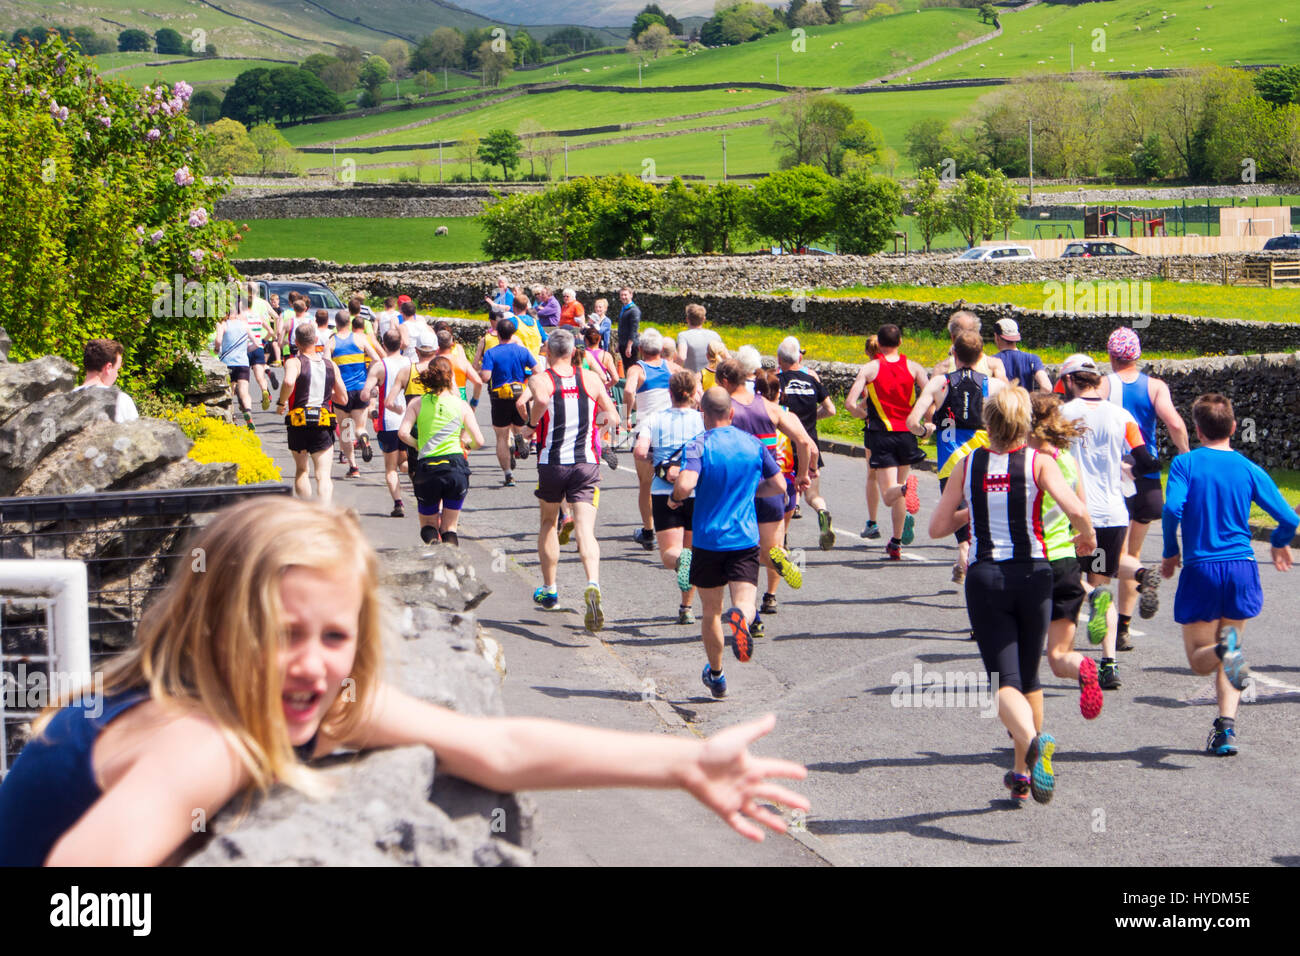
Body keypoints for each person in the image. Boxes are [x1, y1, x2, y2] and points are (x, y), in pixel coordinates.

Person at [0, 496, 809, 865]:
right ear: (217, 629)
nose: (314, 663)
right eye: (283, 636)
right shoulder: (205, 741)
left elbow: (493, 745)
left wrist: (681, 765)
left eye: (335, 636)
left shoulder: (291, 699)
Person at [929, 387, 1096, 805]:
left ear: (988, 424)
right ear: (1025, 425)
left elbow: (936, 527)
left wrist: (977, 504)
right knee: (1030, 676)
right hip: (1036, 575)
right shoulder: (1040, 462)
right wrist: (1086, 538)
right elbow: (1076, 509)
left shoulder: (967, 466)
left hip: (988, 577)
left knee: (1003, 681)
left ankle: (1033, 743)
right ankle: (1022, 772)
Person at [1161, 393, 1298, 756]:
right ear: (1234, 427)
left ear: (1197, 429)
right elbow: (1290, 518)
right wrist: (1280, 542)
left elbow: (1172, 506)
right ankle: (1226, 729)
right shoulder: (1249, 468)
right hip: (1242, 567)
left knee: (1199, 658)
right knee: (1231, 650)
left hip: (1202, 568)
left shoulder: (1185, 464)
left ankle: (1224, 650)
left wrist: (1170, 550)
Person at [669, 387, 790, 698]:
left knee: (710, 611)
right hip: (745, 539)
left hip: (708, 541)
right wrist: (751, 492)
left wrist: (674, 498)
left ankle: (717, 675)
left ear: (703, 414)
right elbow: (778, 484)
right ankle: (743, 619)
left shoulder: (698, 445)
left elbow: (685, 484)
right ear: (732, 413)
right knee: (745, 602)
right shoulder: (752, 443)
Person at [1059, 353, 1163, 691]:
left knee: (1071, 583)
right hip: (1114, 514)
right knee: (1101, 583)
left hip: (1076, 513)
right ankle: (1108, 665)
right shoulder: (1122, 416)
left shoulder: (1062, 415)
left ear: (1072, 381)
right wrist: (1127, 469)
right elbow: (1149, 461)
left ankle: (1069, 654)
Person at [519, 329, 621, 633]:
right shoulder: (591, 379)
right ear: (574, 351)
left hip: (552, 462)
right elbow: (613, 417)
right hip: (586, 462)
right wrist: (596, 430)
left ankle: (550, 589)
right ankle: (593, 583)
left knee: (549, 522)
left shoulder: (541, 379)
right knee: (586, 529)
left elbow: (539, 399)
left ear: (549, 352)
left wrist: (531, 425)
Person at [1100, 327, 1191, 651]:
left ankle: (1104, 619)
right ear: (1137, 356)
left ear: (1111, 356)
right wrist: (1186, 458)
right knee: (1132, 554)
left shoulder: (1102, 385)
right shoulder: (1155, 386)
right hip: (1147, 480)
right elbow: (1176, 424)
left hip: (1112, 478)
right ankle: (1123, 629)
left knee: (1105, 557)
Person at [717, 360, 816, 628]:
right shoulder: (770, 408)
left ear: (725, 382)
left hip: (739, 491)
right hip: (772, 488)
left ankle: (751, 617)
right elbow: (804, 441)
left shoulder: (726, 410)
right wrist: (803, 474)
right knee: (771, 549)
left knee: (740, 557)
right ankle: (779, 561)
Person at [907, 330, 1006, 582]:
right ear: (981, 355)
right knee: (983, 519)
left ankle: (965, 556)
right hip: (985, 460)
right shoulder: (994, 385)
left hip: (951, 465)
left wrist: (924, 431)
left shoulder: (939, 383)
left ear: (954, 352)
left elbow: (911, 422)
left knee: (961, 529)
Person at [1030, 393, 1105, 721]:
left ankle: (1025, 729)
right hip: (1065, 562)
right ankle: (1086, 666)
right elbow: (1081, 507)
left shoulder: (1028, 461)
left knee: (1021, 661)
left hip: (1031, 561)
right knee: (1060, 658)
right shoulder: (1068, 460)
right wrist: (1088, 539)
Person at [845, 324, 929, 560]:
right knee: (900, 490)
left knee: (890, 493)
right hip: (907, 434)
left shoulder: (870, 368)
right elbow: (932, 393)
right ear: (900, 341)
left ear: (879, 344)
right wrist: (925, 420)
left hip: (881, 434)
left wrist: (865, 415)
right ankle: (896, 541)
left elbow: (850, 403)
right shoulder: (914, 367)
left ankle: (904, 488)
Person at [635, 370, 706, 625]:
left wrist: (658, 460)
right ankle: (686, 608)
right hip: (697, 490)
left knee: (671, 554)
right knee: (691, 551)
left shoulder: (655, 419)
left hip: (664, 490)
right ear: (694, 392)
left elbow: (640, 450)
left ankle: (680, 564)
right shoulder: (702, 420)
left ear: (670, 393)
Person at [397, 356, 485, 547]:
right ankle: (452, 562)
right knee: (450, 527)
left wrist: (418, 444)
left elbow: (403, 433)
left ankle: (434, 545)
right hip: (455, 468)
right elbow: (479, 440)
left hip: (427, 468)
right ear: (451, 376)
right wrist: (466, 446)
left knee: (428, 525)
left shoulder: (417, 403)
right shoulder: (461, 405)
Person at [776, 336, 836, 551]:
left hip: (785, 447)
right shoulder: (812, 379)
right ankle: (822, 511)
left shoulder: (777, 381)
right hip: (811, 445)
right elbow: (831, 409)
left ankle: (782, 538)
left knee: (784, 495)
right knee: (813, 493)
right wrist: (812, 418)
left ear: (779, 358)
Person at [276, 323, 347, 505]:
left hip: (299, 421)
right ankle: (323, 511)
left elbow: (289, 382)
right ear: (316, 341)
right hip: (322, 421)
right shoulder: (330, 365)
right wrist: (326, 393)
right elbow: (343, 398)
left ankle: (307, 507)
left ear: (296, 343)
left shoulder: (294, 362)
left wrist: (281, 402)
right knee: (323, 475)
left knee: (302, 470)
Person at [625, 329, 675, 550]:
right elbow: (693, 385)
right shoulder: (672, 368)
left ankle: (648, 531)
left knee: (645, 484)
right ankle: (675, 527)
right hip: (670, 431)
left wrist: (629, 412)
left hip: (646, 430)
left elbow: (627, 390)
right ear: (662, 350)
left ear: (640, 350)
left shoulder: (637, 368)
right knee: (671, 478)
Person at [358, 328, 411, 517]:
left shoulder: (380, 366)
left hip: (388, 421)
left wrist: (374, 393)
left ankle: (398, 503)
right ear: (401, 344)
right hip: (410, 419)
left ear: (384, 344)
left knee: (391, 467)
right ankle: (420, 479)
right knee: (406, 461)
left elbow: (365, 393)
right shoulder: (410, 363)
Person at [480, 318, 537, 487]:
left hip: (500, 397)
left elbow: (486, 377)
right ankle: (520, 439)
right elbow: (538, 371)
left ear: (497, 333)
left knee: (501, 437)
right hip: (519, 394)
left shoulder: (491, 353)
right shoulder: (522, 351)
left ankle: (508, 474)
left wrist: (482, 371)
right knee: (518, 426)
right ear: (514, 333)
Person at [330, 315, 382, 479]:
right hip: (360, 389)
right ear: (349, 323)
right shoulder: (360, 339)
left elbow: (325, 365)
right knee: (360, 427)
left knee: (345, 430)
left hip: (342, 392)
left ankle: (353, 467)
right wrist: (369, 376)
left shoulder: (331, 342)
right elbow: (376, 358)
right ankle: (364, 438)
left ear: (336, 324)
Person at [581, 326, 621, 470]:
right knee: (601, 424)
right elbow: (615, 377)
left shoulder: (582, 355)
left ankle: (597, 451)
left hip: (587, 392)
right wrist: (608, 386)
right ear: (600, 339)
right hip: (602, 392)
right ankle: (602, 444)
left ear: (585, 340)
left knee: (588, 426)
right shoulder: (606, 356)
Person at [75, 338, 139, 422]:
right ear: (108, 367)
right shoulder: (121, 400)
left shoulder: (67, 398)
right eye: (117, 369)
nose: (117, 375)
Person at [213, 308, 255, 430]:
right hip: (243, 362)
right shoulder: (244, 325)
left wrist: (216, 350)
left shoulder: (223, 324)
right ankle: (248, 411)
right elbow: (256, 343)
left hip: (228, 362)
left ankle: (232, 416)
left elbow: (218, 340)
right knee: (244, 391)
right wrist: (246, 351)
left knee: (229, 391)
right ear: (236, 313)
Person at [858, 335, 882, 540]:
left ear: (867, 352)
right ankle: (905, 507)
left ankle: (872, 522)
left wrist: (859, 409)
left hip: (874, 426)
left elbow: (867, 398)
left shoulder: (869, 371)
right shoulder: (897, 367)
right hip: (899, 428)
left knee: (872, 475)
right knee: (896, 476)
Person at [241, 281, 276, 410]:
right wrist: (264, 340)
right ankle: (264, 390)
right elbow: (272, 331)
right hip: (259, 346)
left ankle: (243, 401)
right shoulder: (260, 312)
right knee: (259, 375)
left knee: (243, 378)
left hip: (245, 348)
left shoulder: (242, 316)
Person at [993, 319, 1051, 392]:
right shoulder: (1033, 359)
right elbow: (1047, 387)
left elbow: (984, 390)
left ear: (997, 337)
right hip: (1025, 402)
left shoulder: (992, 361)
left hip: (1000, 402)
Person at [435, 326, 483, 402]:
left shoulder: (432, 363)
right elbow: (478, 382)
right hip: (460, 401)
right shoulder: (462, 362)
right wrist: (474, 402)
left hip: (437, 402)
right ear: (452, 344)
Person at [676, 303, 727, 374]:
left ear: (687, 319)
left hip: (693, 378)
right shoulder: (714, 335)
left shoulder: (683, 336)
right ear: (704, 319)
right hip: (712, 379)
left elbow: (681, 357)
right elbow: (726, 356)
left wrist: (676, 370)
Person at [617, 287, 641, 373]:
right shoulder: (624, 309)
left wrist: (629, 346)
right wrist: (619, 343)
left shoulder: (634, 310)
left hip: (631, 346)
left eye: (625, 295)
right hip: (623, 344)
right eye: (621, 295)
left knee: (632, 369)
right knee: (626, 369)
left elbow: (633, 330)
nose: (623, 297)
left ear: (631, 295)